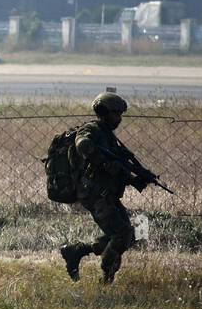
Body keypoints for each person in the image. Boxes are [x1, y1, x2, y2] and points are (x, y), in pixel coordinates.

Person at [59, 91, 142, 285]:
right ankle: (106, 279)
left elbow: (116, 167)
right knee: (121, 234)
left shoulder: (107, 135)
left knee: (127, 235)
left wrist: (132, 179)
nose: (119, 119)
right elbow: (83, 145)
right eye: (116, 114)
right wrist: (105, 163)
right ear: (105, 112)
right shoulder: (92, 130)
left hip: (105, 193)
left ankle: (77, 251)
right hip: (94, 193)